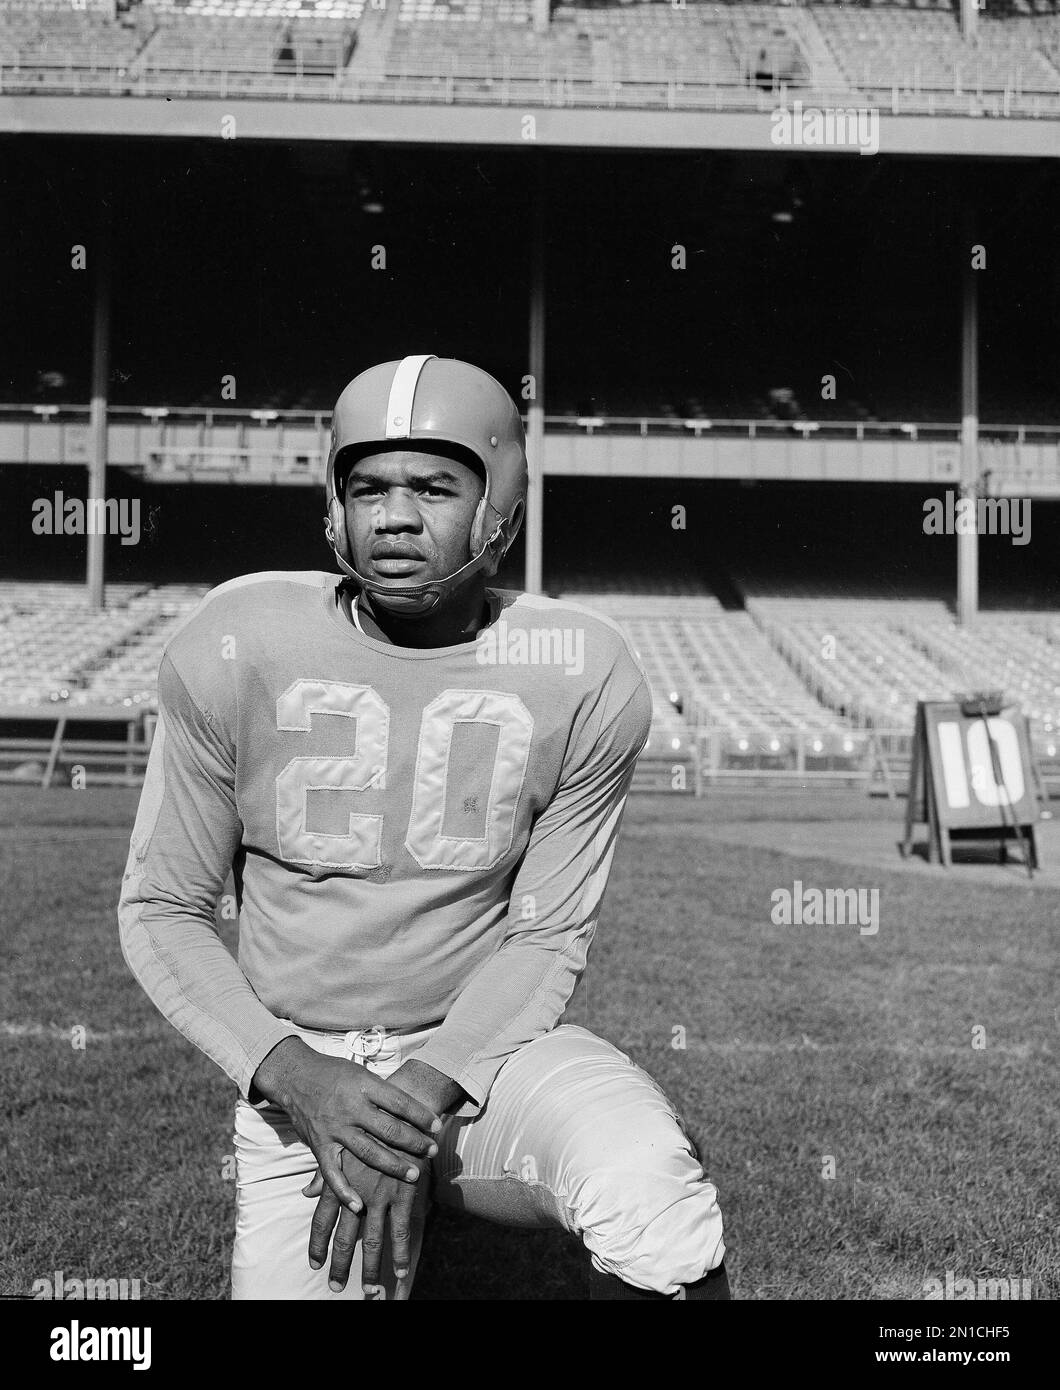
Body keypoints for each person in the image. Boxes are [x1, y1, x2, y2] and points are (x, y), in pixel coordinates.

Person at [118, 354, 728, 1300]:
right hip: (299, 1064)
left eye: (435, 487)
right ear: (333, 503)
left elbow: (549, 933)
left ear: (501, 508)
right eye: (368, 486)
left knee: (646, 1183)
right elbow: (163, 906)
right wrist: (298, 1077)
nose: (394, 515)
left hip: (482, 1059)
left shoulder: (582, 670)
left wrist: (417, 1094)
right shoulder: (237, 639)